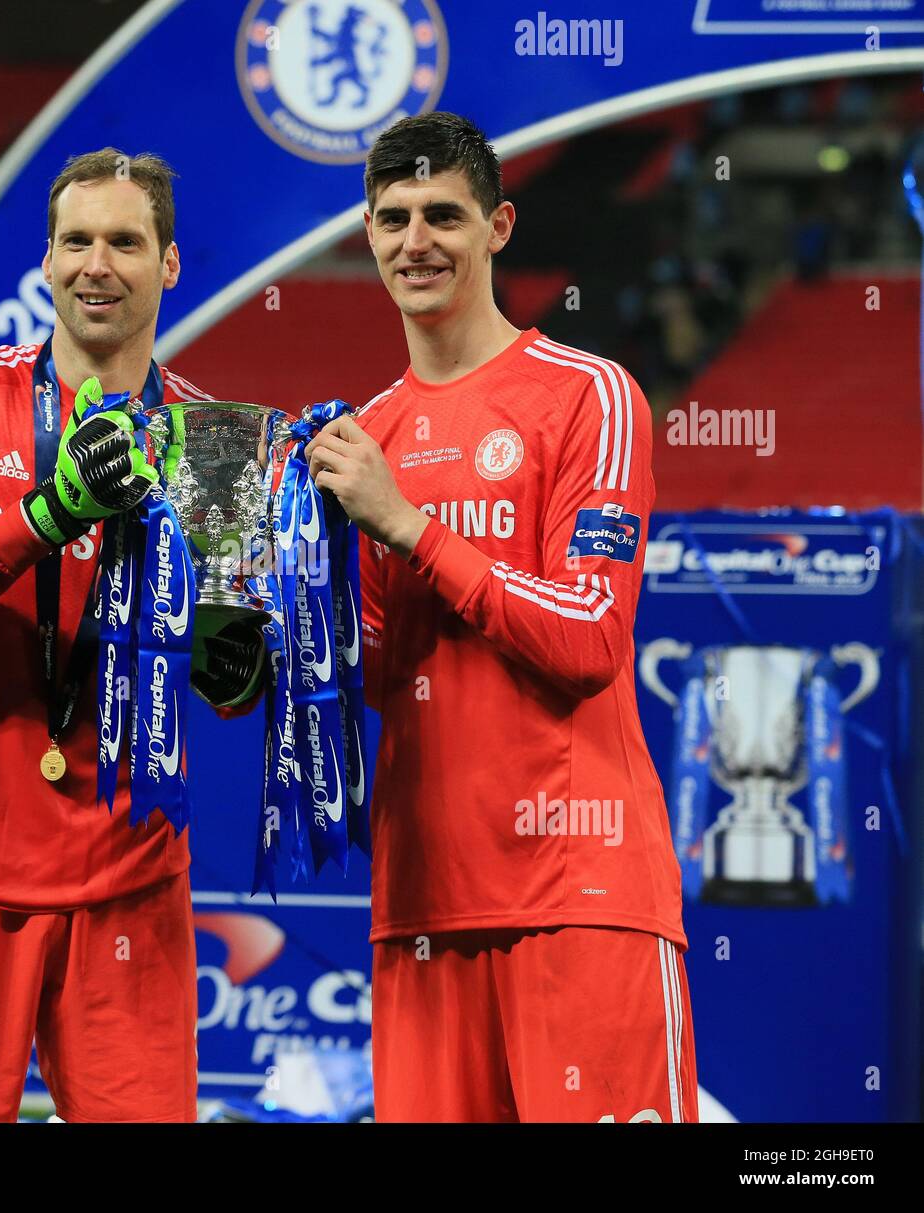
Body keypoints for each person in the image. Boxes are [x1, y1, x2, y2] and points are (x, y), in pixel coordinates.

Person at [305, 112, 697, 1123]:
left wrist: (408, 524)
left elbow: (588, 638)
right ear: (368, 232)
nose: (415, 241)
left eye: (444, 214)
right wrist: (273, 628)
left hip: (580, 898)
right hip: (426, 910)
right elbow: (380, 671)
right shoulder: (368, 437)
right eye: (392, 218)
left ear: (498, 228)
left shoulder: (588, 396)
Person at [0, 148, 244, 1124]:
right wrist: (45, 511)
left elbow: (232, 680)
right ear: (46, 261)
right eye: (75, 241)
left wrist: (241, 663)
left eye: (124, 241)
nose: (95, 264)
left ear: (171, 264)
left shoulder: (216, 442)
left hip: (127, 880)